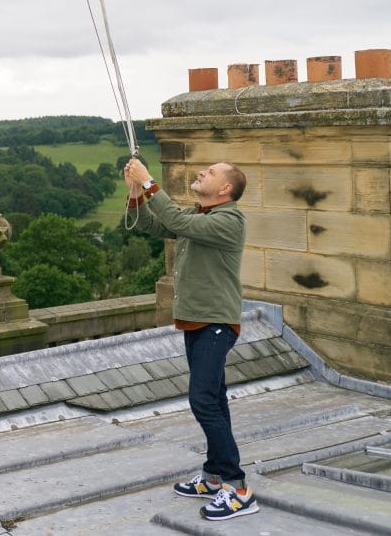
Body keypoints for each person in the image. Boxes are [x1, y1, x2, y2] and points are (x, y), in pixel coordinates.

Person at [123, 157, 258, 521]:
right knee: (213, 397)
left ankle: (238, 488)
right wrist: (136, 192)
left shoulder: (230, 219)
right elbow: (153, 224)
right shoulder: (200, 217)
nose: (202, 173)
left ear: (226, 188)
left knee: (202, 399)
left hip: (216, 322)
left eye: (211, 172)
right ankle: (214, 476)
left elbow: (176, 220)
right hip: (199, 322)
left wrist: (150, 181)